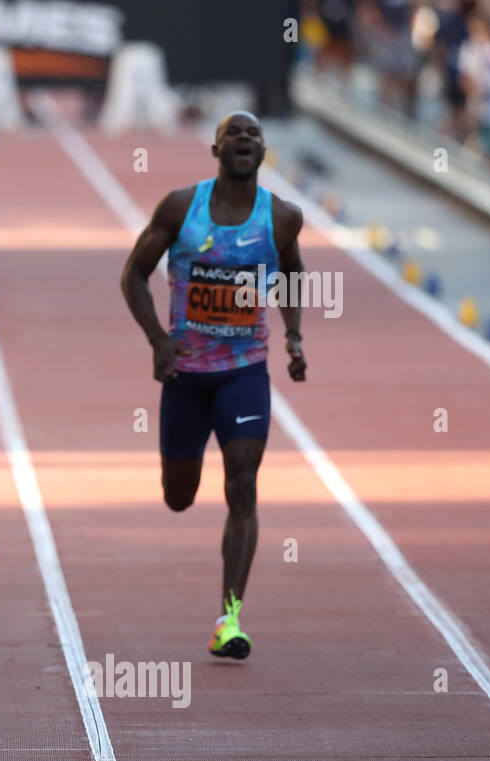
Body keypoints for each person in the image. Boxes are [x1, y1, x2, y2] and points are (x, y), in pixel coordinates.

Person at [121, 112, 307, 660]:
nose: (245, 139)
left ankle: (230, 617)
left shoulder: (283, 218)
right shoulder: (182, 208)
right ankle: (185, 493)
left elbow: (294, 271)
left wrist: (294, 335)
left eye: (255, 133)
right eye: (235, 134)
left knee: (243, 482)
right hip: (185, 378)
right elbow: (133, 272)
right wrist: (158, 338)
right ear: (216, 147)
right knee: (179, 497)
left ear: (264, 150)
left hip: (244, 373)